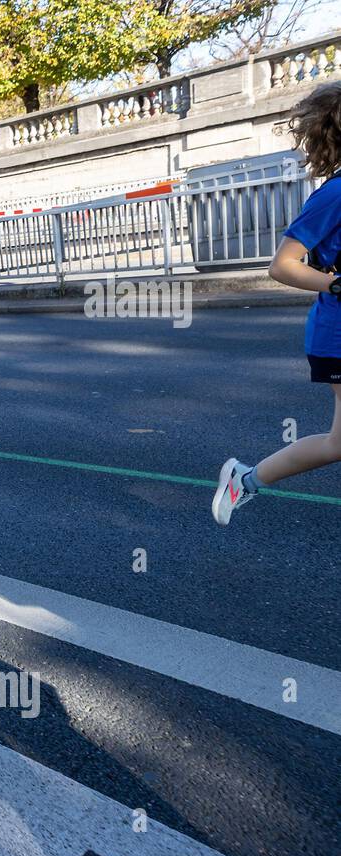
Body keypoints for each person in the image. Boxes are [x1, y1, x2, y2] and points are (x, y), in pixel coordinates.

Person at [213, 82, 341, 525]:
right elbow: (282, 265)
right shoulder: (335, 195)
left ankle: (244, 480)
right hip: (338, 335)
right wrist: (336, 285)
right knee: (339, 443)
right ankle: (244, 480)